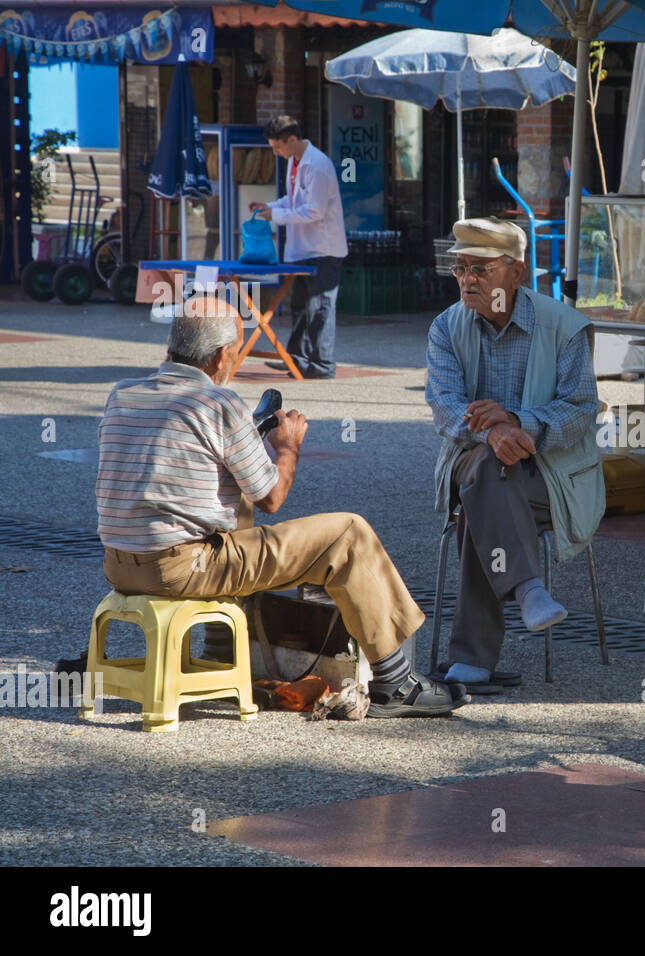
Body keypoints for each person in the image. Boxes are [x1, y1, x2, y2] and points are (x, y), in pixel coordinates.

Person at [95, 297, 461, 718]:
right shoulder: (220, 403)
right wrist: (286, 447)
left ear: (170, 350)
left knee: (235, 505)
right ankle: (396, 682)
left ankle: (219, 648)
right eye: (235, 350)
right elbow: (271, 496)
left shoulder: (123, 394)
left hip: (120, 564)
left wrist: (241, 443)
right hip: (181, 569)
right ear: (220, 356)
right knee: (349, 533)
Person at [426, 218, 604, 695]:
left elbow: (581, 411)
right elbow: (444, 407)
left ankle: (472, 659)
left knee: (482, 504)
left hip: (549, 474)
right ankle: (528, 589)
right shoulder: (446, 326)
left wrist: (518, 422)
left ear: (517, 274)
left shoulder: (564, 327)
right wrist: (493, 435)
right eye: (460, 268)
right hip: (472, 458)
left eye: (481, 269)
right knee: (487, 471)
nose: (468, 280)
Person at [249, 115, 348, 380]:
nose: (275, 152)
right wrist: (270, 208)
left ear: (291, 140)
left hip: (323, 248)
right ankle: (297, 359)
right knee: (301, 306)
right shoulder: (294, 161)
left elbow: (314, 210)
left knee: (320, 307)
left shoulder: (317, 165)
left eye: (277, 146)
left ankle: (322, 364)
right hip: (302, 248)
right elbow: (293, 200)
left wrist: (277, 216)